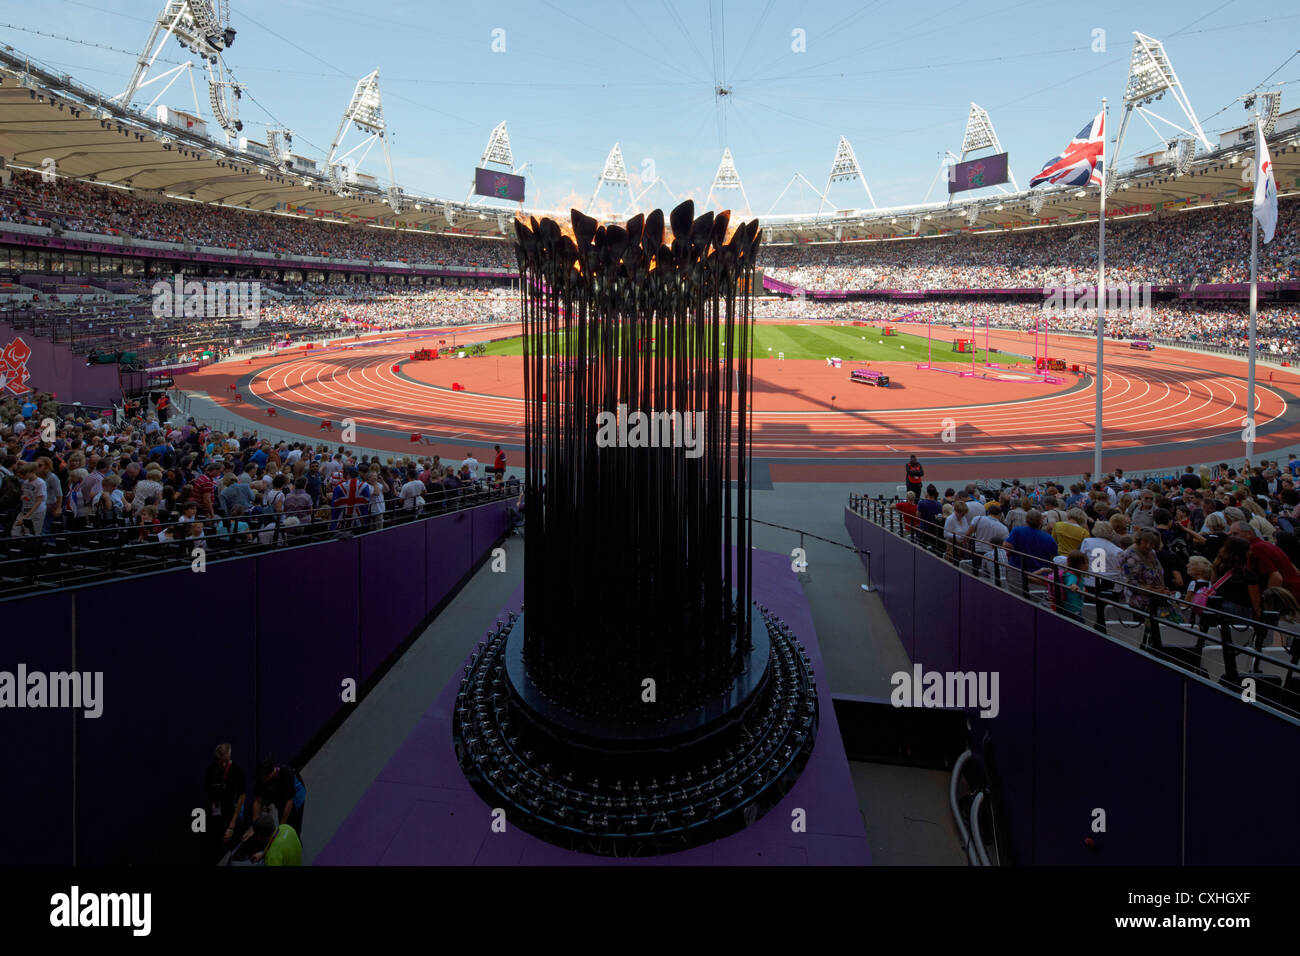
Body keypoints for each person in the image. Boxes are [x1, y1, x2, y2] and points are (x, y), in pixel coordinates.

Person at [246, 759, 307, 845]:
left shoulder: (286, 774)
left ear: (272, 772)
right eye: (262, 779)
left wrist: (281, 827)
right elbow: (257, 801)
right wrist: (254, 826)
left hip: (296, 797)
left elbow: (289, 802)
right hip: (281, 795)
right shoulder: (262, 778)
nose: (263, 781)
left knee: (292, 827)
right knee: (281, 814)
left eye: (265, 778)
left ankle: (296, 843)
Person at [206, 743, 248, 864]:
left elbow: (242, 796)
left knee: (233, 849)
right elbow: (211, 794)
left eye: (226, 761)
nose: (223, 765)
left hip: (233, 813)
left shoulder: (237, 771)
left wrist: (231, 826)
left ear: (229, 756)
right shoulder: (211, 771)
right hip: (217, 813)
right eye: (220, 762)